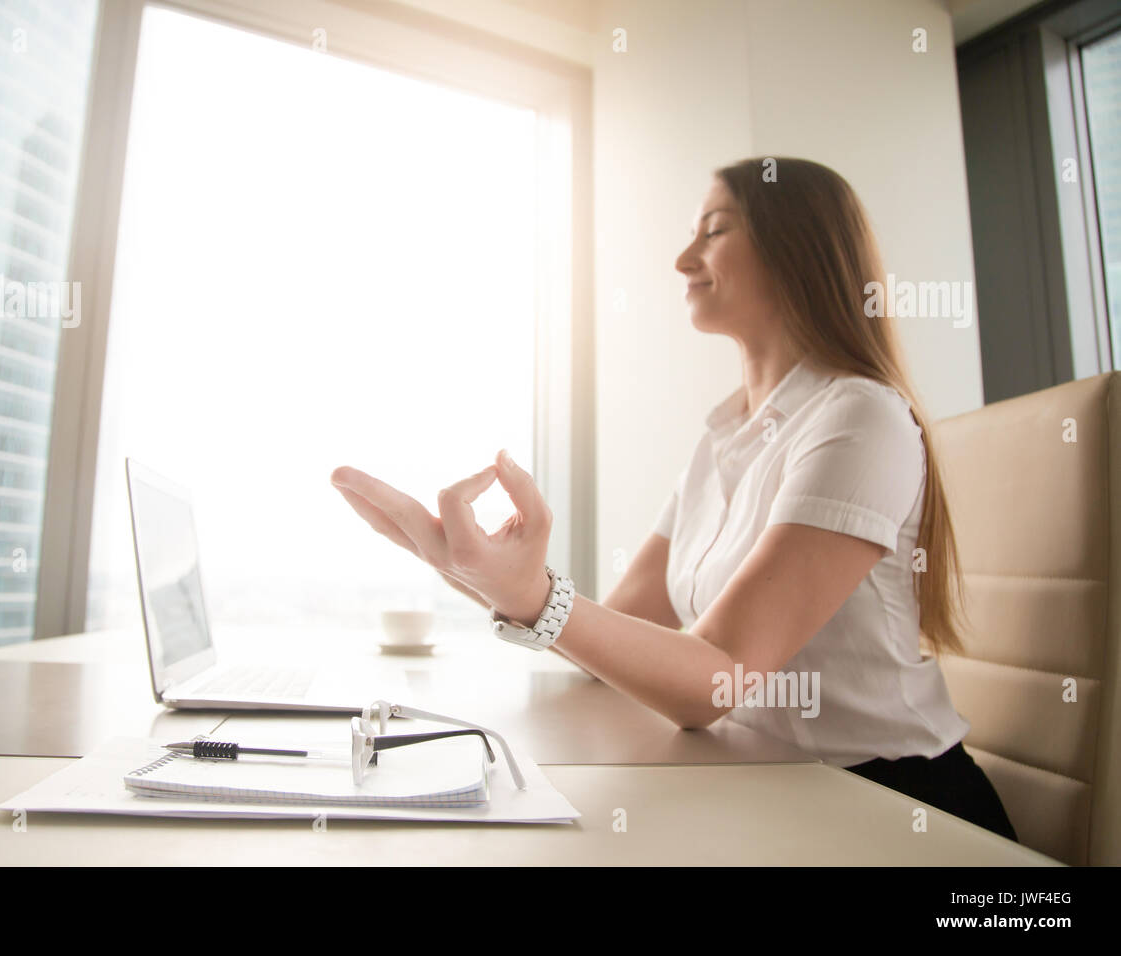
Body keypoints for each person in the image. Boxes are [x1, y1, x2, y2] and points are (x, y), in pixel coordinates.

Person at [329, 155, 1017, 843]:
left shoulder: (860, 419)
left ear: (797, 248)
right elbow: (619, 626)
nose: (684, 258)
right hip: (765, 782)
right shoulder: (724, 436)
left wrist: (530, 594)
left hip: (893, 805)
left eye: (713, 231)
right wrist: (463, 567)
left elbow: (713, 683)